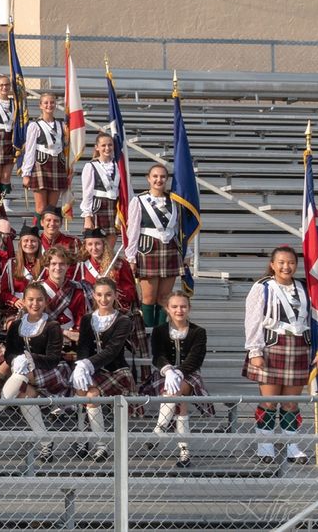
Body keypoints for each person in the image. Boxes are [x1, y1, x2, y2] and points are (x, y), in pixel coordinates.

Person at [244, 246, 314, 464]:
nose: (286, 266)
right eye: (281, 262)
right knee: (270, 401)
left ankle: (291, 445)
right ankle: (264, 446)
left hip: (299, 346)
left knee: (291, 403)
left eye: (291, 262)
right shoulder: (262, 287)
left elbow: (316, 319)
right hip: (272, 346)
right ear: (273, 265)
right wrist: (254, 351)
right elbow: (253, 320)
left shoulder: (304, 287)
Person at [0, 283, 66, 462]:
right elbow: (10, 352)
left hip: (48, 372)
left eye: (39, 300)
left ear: (46, 301)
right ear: (24, 301)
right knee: (24, 397)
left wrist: (28, 358)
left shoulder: (52, 325)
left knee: (19, 377)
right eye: (31, 300)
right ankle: (45, 442)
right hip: (23, 374)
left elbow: (53, 358)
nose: (35, 303)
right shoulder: (17, 325)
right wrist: (15, 359)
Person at [70, 278, 142, 462]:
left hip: (116, 371)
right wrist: (81, 364)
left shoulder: (124, 320)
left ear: (116, 295)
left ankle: (100, 445)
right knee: (81, 388)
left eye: (108, 294)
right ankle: (82, 438)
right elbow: (84, 346)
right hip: (94, 370)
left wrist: (86, 364)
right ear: (94, 295)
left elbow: (112, 351)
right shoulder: (87, 318)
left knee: (91, 394)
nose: (104, 299)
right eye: (100, 295)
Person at [148, 291, 206, 468]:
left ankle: (159, 429)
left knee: (177, 389)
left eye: (183, 306)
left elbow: (196, 358)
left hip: (190, 375)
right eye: (174, 306)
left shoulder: (198, 331)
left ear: (189, 308)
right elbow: (158, 356)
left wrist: (179, 372)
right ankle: (184, 452)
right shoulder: (159, 331)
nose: (179, 310)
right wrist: (168, 370)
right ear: (167, 309)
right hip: (164, 374)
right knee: (180, 402)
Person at [131, 163, 187, 328]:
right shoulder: (138, 200)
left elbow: (179, 229)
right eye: (155, 176)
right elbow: (133, 231)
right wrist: (131, 256)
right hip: (148, 249)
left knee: (165, 297)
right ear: (148, 179)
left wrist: (187, 252)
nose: (159, 180)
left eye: (162, 176)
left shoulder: (175, 200)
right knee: (148, 297)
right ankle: (147, 334)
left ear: (167, 179)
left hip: (170, 249)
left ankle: (160, 335)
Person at [19, 93, 71, 217]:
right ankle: (38, 234)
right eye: (46, 103)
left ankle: (50, 235)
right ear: (40, 105)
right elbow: (30, 150)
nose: (49, 105)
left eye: (52, 102)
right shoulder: (34, 125)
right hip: (41, 165)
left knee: (51, 208)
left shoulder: (62, 125)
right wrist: (26, 173)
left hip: (57, 164)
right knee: (41, 207)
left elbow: (66, 146)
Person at [77, 134, 120, 232]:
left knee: (110, 244)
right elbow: (87, 192)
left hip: (115, 206)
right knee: (97, 243)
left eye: (110, 145)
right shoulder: (90, 166)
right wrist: (87, 216)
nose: (107, 148)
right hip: (98, 207)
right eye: (103, 145)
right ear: (97, 147)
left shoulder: (119, 166)